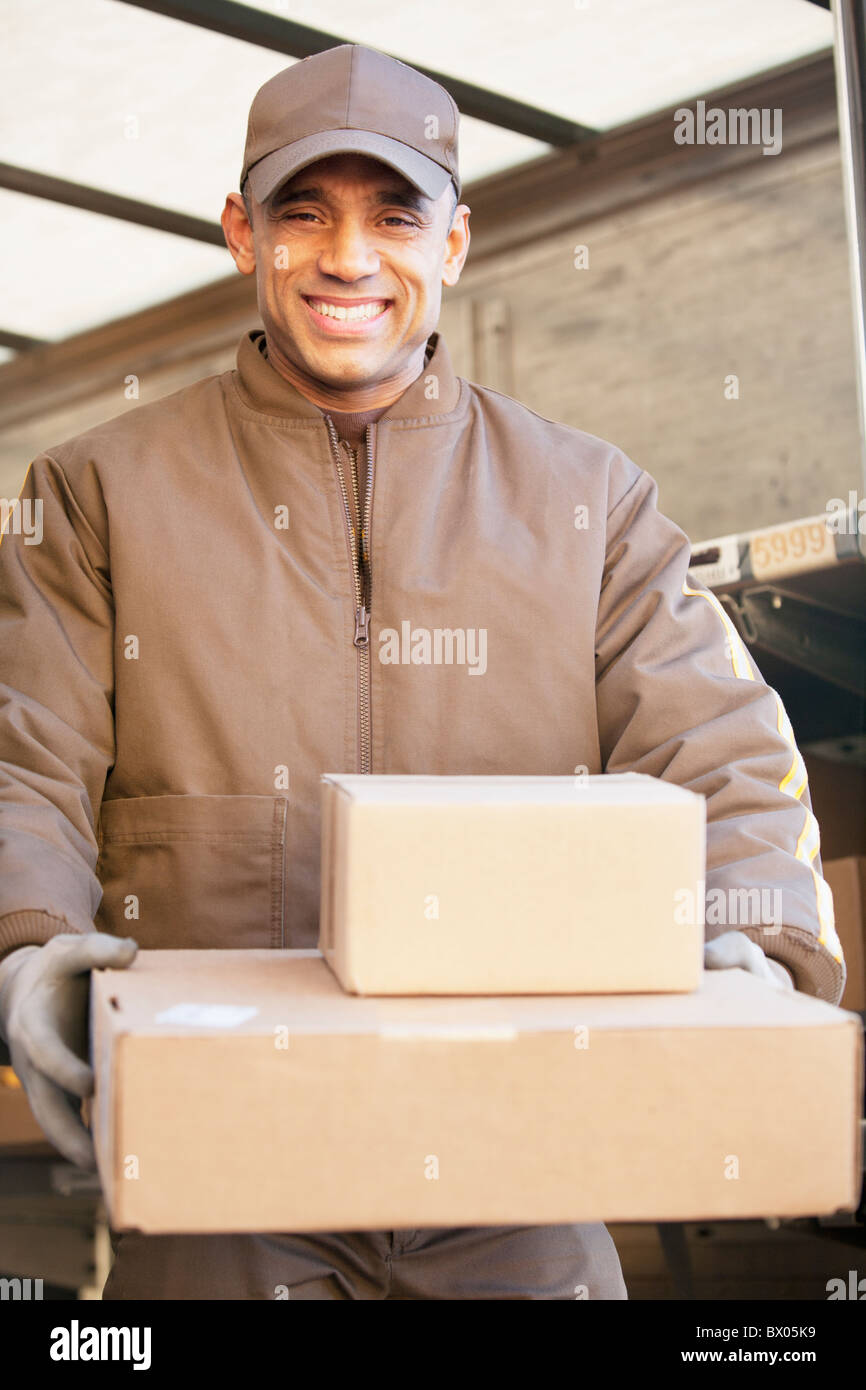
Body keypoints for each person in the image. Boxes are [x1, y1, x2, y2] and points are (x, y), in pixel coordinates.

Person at [0, 44, 844, 1301]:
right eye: (304, 213)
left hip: (520, 1167)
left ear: (452, 243)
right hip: (229, 1175)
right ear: (242, 232)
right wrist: (30, 946)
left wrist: (751, 943)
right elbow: (29, 759)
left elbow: (718, 747)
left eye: (394, 215)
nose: (349, 258)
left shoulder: (587, 500)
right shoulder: (99, 492)